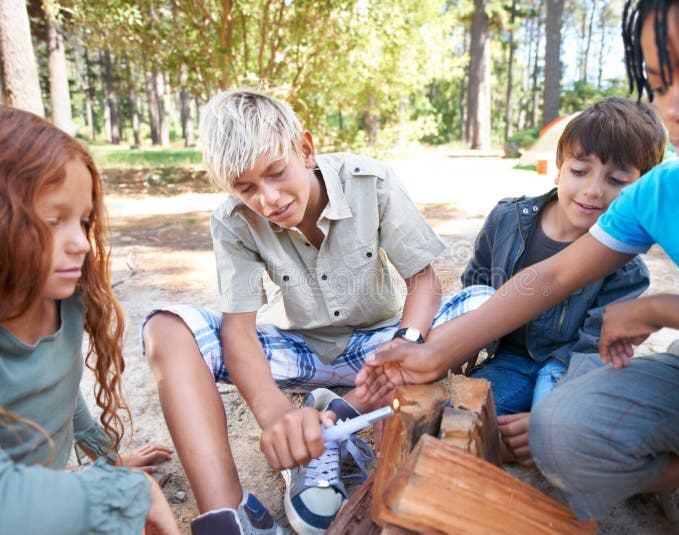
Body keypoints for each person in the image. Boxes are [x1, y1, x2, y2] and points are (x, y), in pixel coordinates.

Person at [356, 1, 679, 533]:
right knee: (558, 428)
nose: (675, 107)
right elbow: (551, 277)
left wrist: (663, 308)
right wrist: (434, 352)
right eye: (659, 82)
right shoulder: (667, 192)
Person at [142, 87, 492, 535]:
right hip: (299, 353)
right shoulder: (233, 220)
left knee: (482, 302)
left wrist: (406, 344)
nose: (267, 199)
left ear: (305, 150)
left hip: (379, 348)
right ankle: (231, 515)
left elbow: (423, 282)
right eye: (246, 187)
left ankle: (338, 413)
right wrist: (276, 416)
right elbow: (239, 331)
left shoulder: (371, 182)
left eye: (275, 172)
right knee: (168, 329)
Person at [0, 107, 179, 534]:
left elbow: (60, 389)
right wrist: (118, 490)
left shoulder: (65, 299)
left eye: (83, 221)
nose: (81, 243)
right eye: (51, 221)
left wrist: (105, 457)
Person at [461, 96, 665, 465]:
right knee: (461, 418)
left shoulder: (626, 268)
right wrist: (455, 348)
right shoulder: (508, 221)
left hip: (568, 367)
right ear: (559, 167)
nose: (593, 190)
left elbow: (594, 349)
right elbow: (474, 288)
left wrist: (554, 416)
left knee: (559, 438)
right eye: (580, 171)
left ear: (641, 189)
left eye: (616, 180)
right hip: (510, 359)